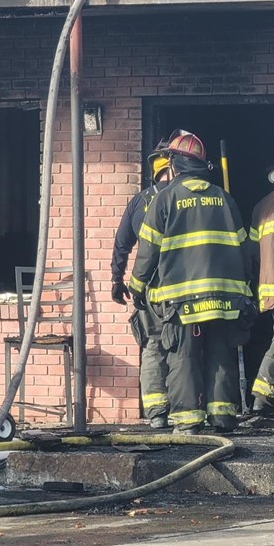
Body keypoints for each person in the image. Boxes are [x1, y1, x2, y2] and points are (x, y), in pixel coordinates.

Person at [128, 130, 256, 434]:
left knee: (183, 358)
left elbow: (147, 252)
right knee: (221, 355)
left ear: (175, 164)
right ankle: (223, 417)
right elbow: (244, 250)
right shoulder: (225, 199)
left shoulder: (165, 199)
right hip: (225, 300)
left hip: (182, 302)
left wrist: (136, 287)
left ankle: (188, 422)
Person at [111, 137, 174, 429]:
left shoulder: (139, 201)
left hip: (147, 288)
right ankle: (185, 410)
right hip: (182, 286)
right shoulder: (180, 198)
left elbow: (122, 244)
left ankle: (156, 414)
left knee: (153, 347)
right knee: (184, 348)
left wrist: (117, 280)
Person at [248, 167, 274, 415]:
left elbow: (250, 253)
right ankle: (262, 396)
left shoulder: (260, 206)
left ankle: (263, 397)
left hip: (266, 287)